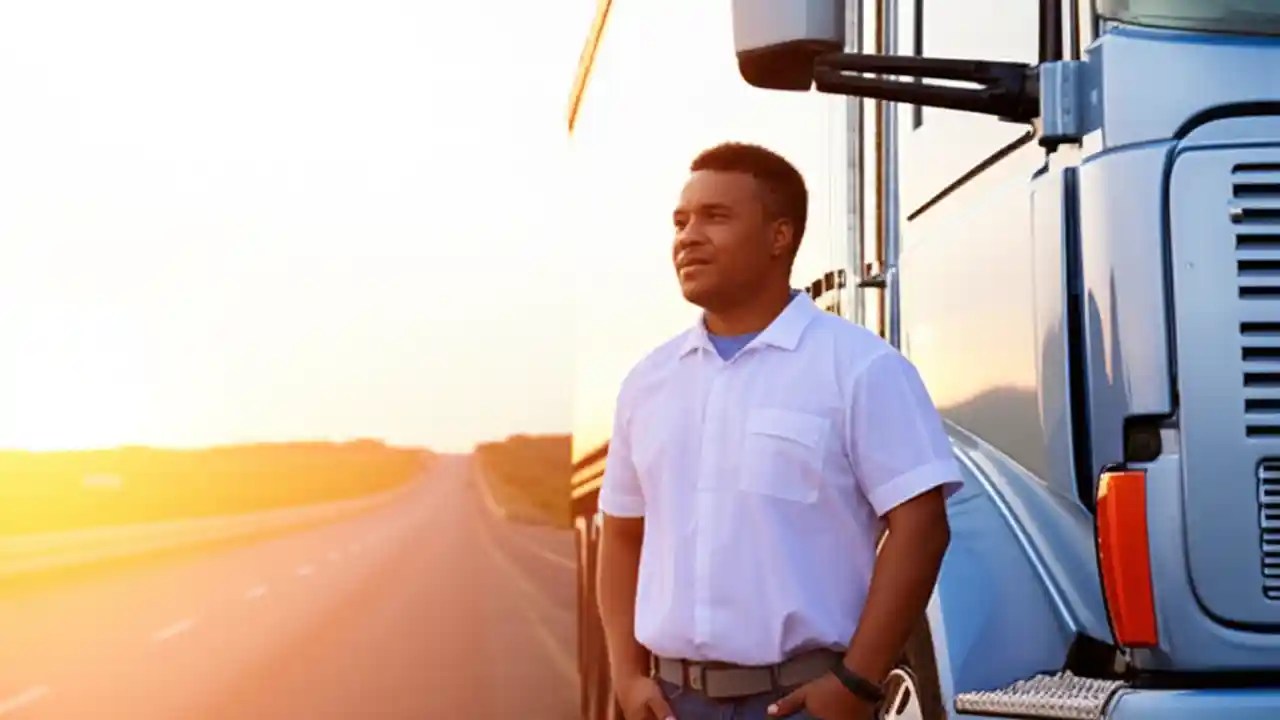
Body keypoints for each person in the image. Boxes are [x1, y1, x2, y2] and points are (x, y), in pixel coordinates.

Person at [595, 142, 962, 720]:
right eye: (681, 221)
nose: (688, 236)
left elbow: (921, 526)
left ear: (779, 236)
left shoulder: (860, 367)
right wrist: (624, 672)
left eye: (715, 217)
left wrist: (857, 682)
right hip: (672, 704)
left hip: (801, 704)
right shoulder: (648, 384)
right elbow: (620, 536)